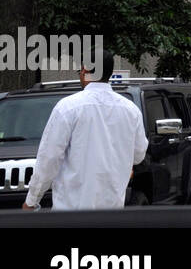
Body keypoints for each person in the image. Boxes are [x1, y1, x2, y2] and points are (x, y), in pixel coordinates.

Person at [23, 52, 148, 211]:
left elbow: (49, 158)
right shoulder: (131, 111)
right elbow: (138, 155)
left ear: (84, 71)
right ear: (110, 74)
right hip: (112, 210)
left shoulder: (68, 107)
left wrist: (32, 200)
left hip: (71, 212)